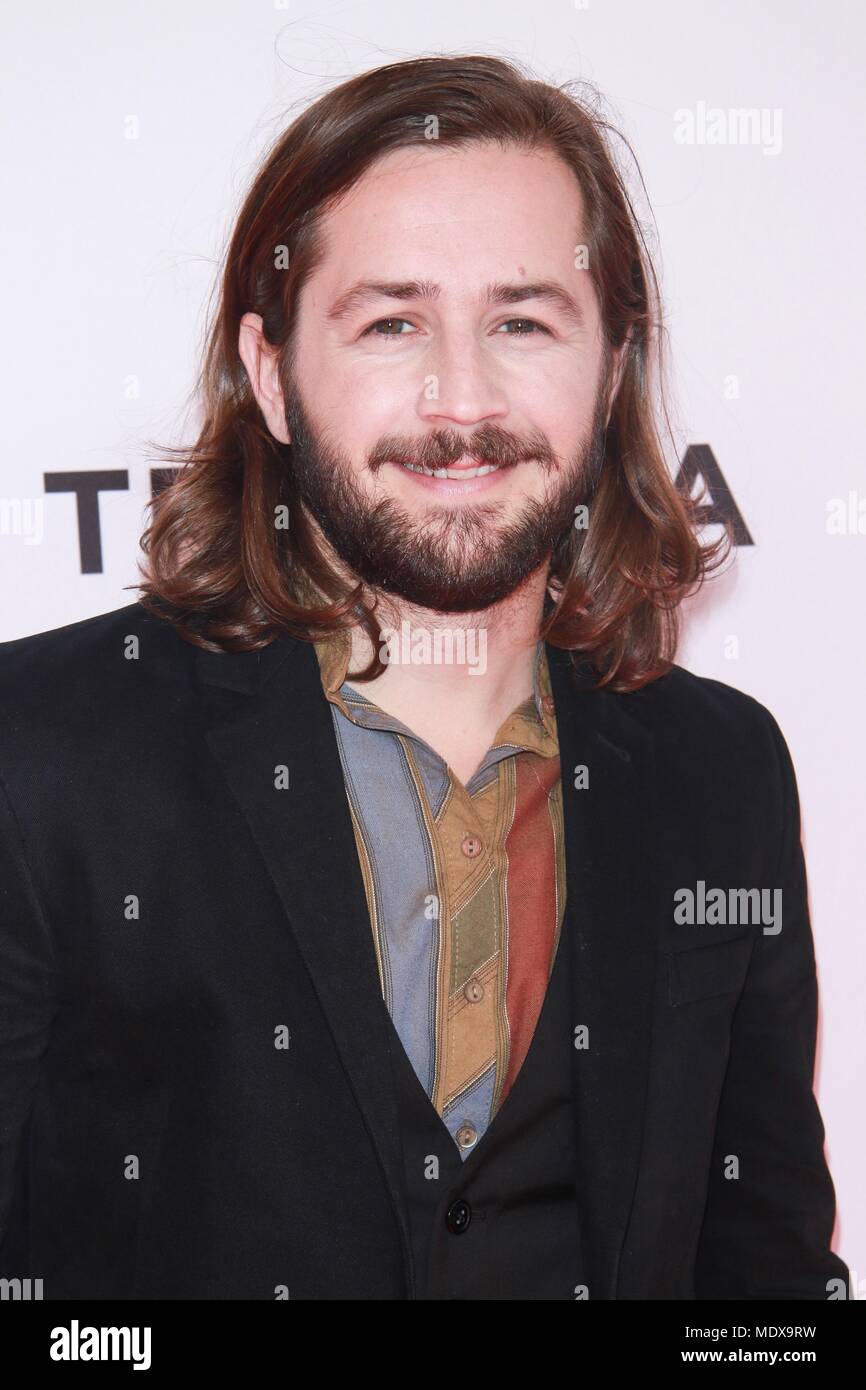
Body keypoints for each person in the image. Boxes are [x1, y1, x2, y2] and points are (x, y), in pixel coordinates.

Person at [0, 54, 848, 1300]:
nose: (461, 399)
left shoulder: (721, 770)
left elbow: (759, 1270)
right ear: (275, 372)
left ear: (610, 366)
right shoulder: (44, 752)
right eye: (391, 321)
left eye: (521, 319)